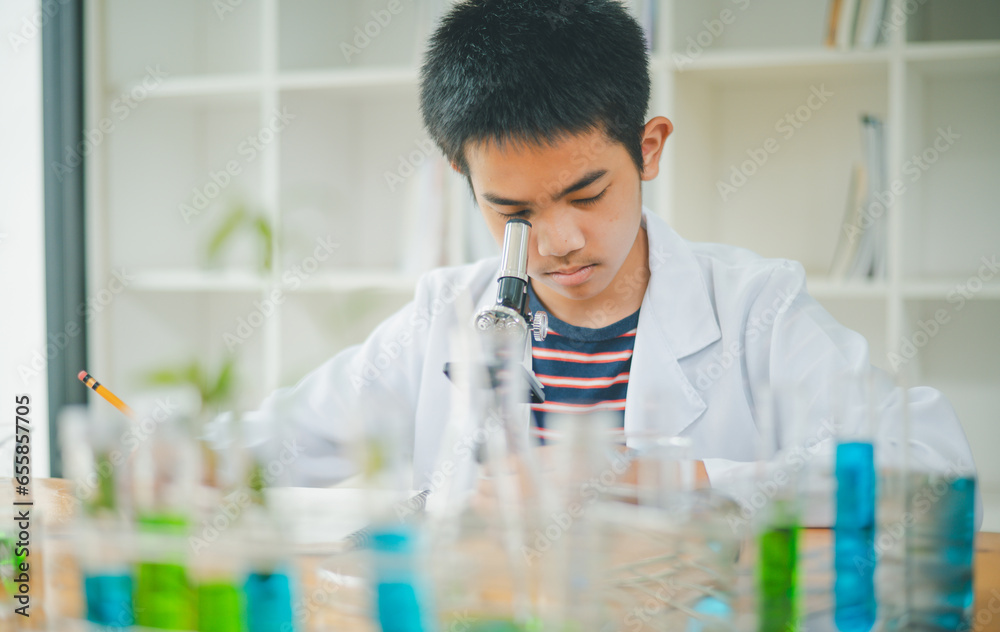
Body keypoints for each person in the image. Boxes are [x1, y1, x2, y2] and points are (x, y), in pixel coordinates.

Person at [235, 0, 980, 528]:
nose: (558, 241)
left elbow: (931, 464)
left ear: (649, 148)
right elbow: (271, 447)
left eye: (586, 192)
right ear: (462, 177)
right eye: (514, 213)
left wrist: (664, 479)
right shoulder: (446, 312)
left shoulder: (754, 308)